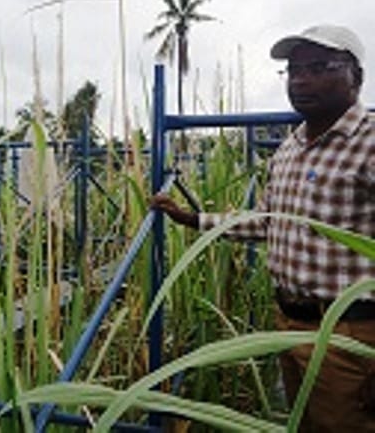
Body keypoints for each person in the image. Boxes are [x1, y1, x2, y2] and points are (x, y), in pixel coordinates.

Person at [151, 24, 375, 431]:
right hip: (288, 322)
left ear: (355, 76)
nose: (301, 80)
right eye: (292, 71)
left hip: (348, 332)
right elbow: (268, 222)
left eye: (319, 67)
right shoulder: (291, 147)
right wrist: (194, 219)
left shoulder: (371, 141)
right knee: (303, 421)